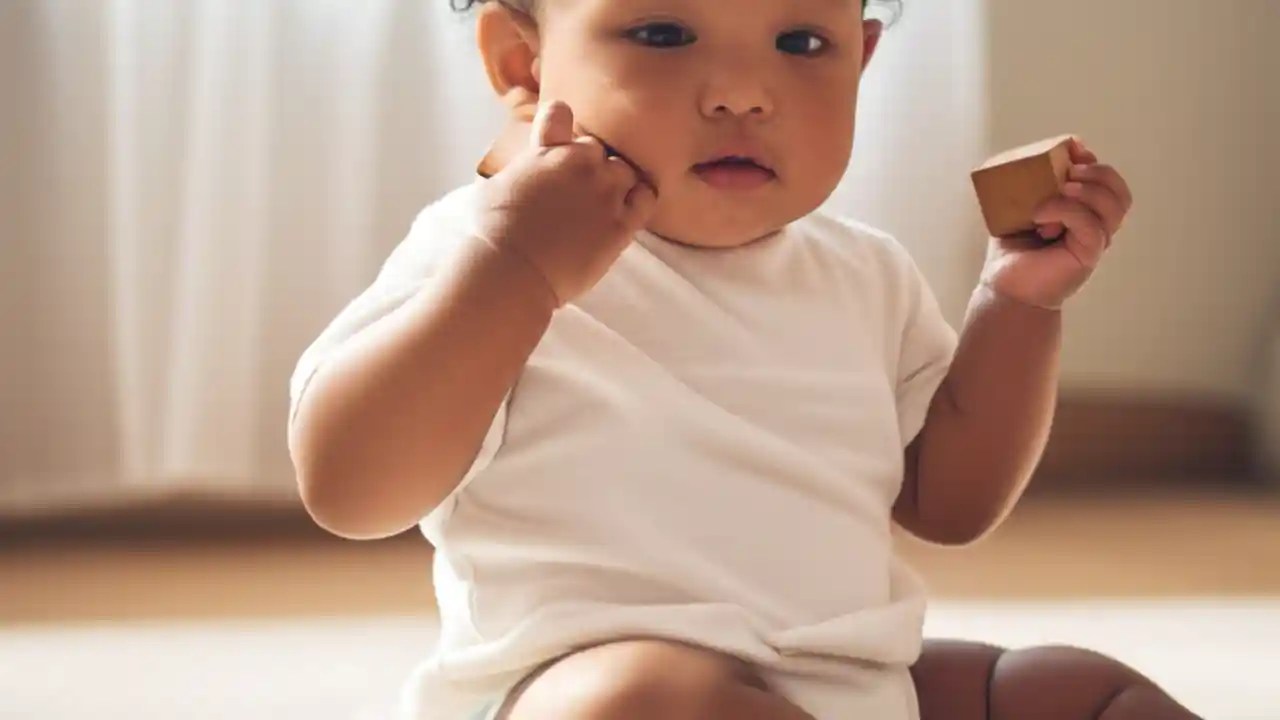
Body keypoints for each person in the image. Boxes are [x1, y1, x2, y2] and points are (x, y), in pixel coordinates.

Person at [288, 0, 1197, 717]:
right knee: (645, 704)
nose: (740, 91)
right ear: (524, 65)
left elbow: (949, 504)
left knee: (1072, 689)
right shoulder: (490, 251)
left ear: (863, 61)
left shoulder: (864, 272)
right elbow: (351, 488)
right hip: (582, 689)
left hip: (848, 682)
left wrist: (1018, 304)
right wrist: (513, 271)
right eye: (663, 32)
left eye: (801, 42)